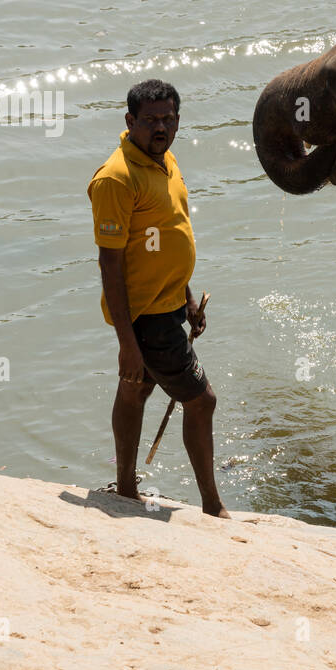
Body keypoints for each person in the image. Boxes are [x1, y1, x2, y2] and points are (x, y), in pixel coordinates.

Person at [87, 79, 228, 518]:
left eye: (168, 119)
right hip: (145, 316)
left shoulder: (165, 161)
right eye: (150, 120)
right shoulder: (116, 178)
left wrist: (186, 298)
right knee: (201, 401)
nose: (160, 128)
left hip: (168, 307)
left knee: (135, 391)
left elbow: (169, 235)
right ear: (130, 122)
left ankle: (126, 488)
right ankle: (212, 506)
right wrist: (128, 343)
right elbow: (110, 264)